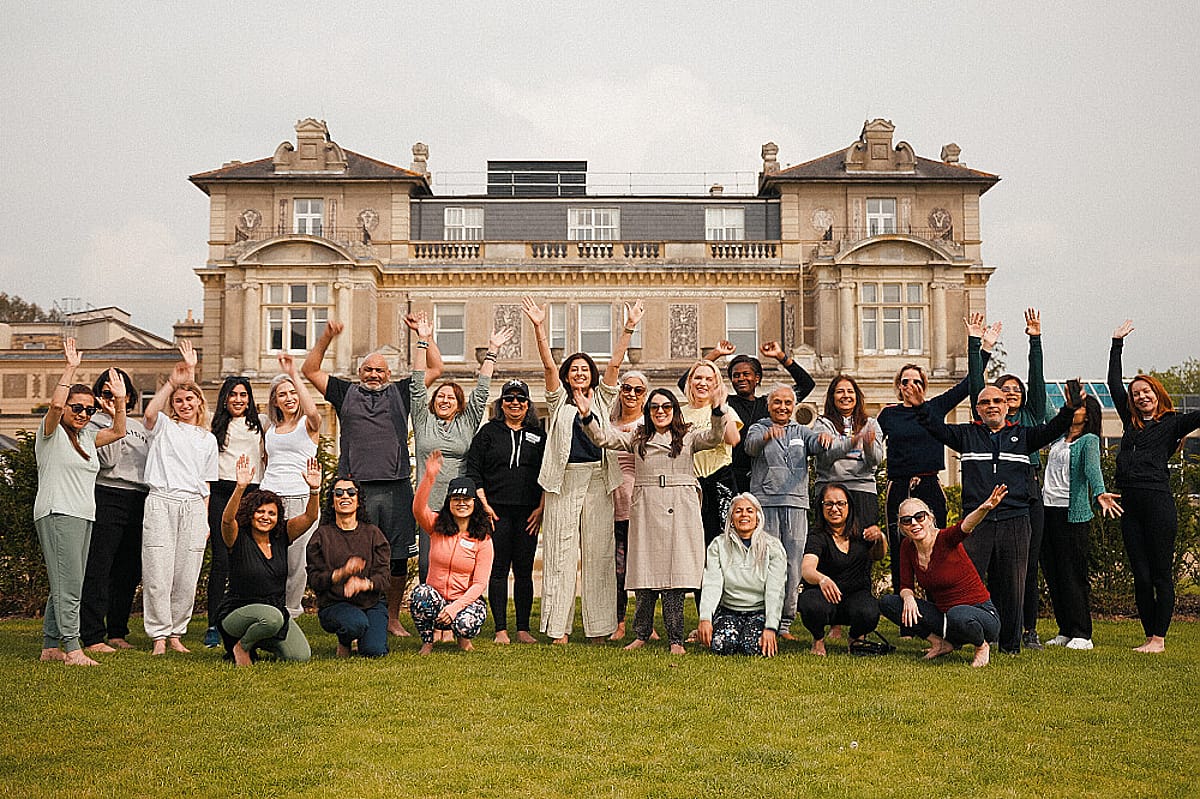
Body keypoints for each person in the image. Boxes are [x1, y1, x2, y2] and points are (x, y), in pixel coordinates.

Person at [909, 377, 1081, 654]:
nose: (992, 406)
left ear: (1006, 406)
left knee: (1015, 585)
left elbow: (1054, 429)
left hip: (1015, 519)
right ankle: (966, 638)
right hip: (977, 522)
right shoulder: (966, 435)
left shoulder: (1024, 436)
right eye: (985, 402)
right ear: (977, 409)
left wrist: (1069, 409)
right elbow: (935, 428)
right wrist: (920, 407)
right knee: (967, 582)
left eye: (997, 401)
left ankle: (1010, 645)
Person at [301, 315, 442, 638]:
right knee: (350, 553)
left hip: (395, 488)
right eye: (368, 370)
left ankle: (391, 618)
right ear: (359, 373)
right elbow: (310, 370)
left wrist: (425, 336)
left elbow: (435, 370)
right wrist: (326, 337)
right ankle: (351, 613)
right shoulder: (344, 392)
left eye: (380, 370)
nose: (374, 375)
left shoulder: (402, 392)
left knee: (395, 557)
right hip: (354, 487)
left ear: (389, 375)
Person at [521, 296, 643, 643]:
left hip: (598, 480)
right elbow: (547, 366)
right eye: (573, 369)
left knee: (600, 555)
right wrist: (539, 328)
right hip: (564, 481)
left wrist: (629, 326)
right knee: (560, 554)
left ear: (591, 375)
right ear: (567, 375)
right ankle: (558, 629)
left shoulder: (604, 399)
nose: (579, 373)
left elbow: (616, 365)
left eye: (584, 369)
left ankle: (600, 628)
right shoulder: (558, 400)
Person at [579, 385, 727, 654]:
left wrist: (718, 409)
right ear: (648, 412)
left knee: (675, 575)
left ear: (675, 410)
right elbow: (603, 439)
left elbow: (716, 437)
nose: (660, 411)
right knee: (643, 573)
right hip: (646, 506)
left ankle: (675, 639)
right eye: (655, 407)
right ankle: (641, 633)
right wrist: (588, 415)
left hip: (680, 507)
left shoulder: (689, 435)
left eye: (666, 407)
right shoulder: (638, 438)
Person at [877, 314, 992, 590]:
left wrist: (983, 348)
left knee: (937, 545)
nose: (910, 386)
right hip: (900, 485)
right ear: (898, 386)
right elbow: (868, 444)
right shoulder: (888, 415)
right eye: (905, 382)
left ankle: (938, 608)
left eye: (916, 382)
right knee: (900, 546)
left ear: (923, 386)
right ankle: (906, 617)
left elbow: (968, 385)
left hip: (929, 483)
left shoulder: (935, 408)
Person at [1108, 320, 1200, 653]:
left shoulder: (1173, 422)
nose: (1140, 397)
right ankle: (1149, 637)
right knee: (1141, 575)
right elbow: (1113, 385)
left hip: (1158, 503)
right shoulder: (1130, 422)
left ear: (1156, 394)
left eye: (1145, 392)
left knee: (1161, 573)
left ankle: (1160, 638)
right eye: (1136, 394)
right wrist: (1116, 344)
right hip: (1130, 505)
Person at [34, 339, 127, 665]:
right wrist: (70, 368)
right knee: (70, 585)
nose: (84, 414)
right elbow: (56, 408)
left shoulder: (87, 436)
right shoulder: (49, 432)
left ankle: (50, 647)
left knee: (64, 581)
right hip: (58, 511)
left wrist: (119, 401)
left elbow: (117, 432)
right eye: (78, 408)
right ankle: (73, 648)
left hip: (83, 514)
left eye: (89, 409)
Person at [969, 308, 1053, 650]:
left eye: (1017, 390)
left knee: (1026, 565)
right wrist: (977, 345)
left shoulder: (1031, 416)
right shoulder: (988, 419)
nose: (1013, 393)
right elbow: (977, 385)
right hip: (993, 492)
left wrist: (1034, 339)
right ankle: (987, 626)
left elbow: (1038, 380)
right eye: (1007, 390)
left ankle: (1026, 629)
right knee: (989, 564)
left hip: (1027, 489)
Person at [743, 384, 850, 640]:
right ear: (769, 406)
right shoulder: (759, 427)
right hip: (765, 502)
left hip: (796, 504)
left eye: (787, 403)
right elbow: (750, 447)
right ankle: (762, 618)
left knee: (793, 564)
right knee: (765, 562)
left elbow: (819, 445)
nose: (782, 407)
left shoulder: (802, 431)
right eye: (777, 402)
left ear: (793, 406)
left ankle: (784, 623)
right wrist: (768, 436)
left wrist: (827, 439)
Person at [411, 321, 513, 590]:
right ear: (433, 402)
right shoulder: (423, 420)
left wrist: (492, 350)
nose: (445, 400)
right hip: (431, 505)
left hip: (461, 505)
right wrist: (423, 341)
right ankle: (431, 617)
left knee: (463, 563)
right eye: (440, 396)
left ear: (459, 405)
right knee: (428, 565)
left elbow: (481, 393)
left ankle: (460, 614)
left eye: (451, 398)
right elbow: (416, 385)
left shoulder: (466, 423)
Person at [141, 341, 219, 656]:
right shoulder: (163, 427)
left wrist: (206, 521)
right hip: (162, 500)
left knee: (187, 574)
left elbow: (206, 484)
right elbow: (148, 413)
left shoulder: (207, 439)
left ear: (199, 403)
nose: (184, 404)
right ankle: (158, 636)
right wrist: (174, 380)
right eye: (179, 400)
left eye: (190, 399)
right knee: (158, 570)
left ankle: (176, 633)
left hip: (194, 506)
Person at [880, 485, 1010, 668]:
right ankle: (940, 643)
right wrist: (908, 598)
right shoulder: (907, 547)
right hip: (947, 619)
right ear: (901, 526)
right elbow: (905, 584)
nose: (915, 524)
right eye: (907, 520)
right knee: (889, 603)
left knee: (957, 613)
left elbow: (965, 526)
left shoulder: (945, 539)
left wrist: (984, 508)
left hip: (981, 616)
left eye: (919, 517)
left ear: (930, 517)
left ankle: (982, 646)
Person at [216, 454, 321, 665]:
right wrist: (240, 488)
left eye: (271, 513)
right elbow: (227, 519)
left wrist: (314, 490)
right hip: (237, 613)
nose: (266, 517)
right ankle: (241, 645)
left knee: (299, 656)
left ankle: (259, 641)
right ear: (251, 513)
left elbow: (309, 518)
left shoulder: (282, 536)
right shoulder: (238, 537)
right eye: (260, 511)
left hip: (275, 613)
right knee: (271, 618)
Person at [464, 379, 546, 644]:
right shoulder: (489, 432)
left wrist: (541, 508)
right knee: (497, 570)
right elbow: (474, 470)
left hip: (528, 513)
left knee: (524, 570)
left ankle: (523, 628)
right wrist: (483, 505)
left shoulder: (538, 434)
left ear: (527, 404)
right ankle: (501, 630)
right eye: (509, 399)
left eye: (520, 399)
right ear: (501, 403)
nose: (514, 403)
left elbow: (548, 474)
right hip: (494, 512)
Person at [677, 339, 816, 493]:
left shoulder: (769, 405)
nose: (741, 378)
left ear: (757, 378)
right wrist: (715, 354)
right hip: (730, 476)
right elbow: (686, 381)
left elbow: (806, 384)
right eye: (736, 375)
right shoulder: (724, 403)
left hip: (763, 476)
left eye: (746, 374)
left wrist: (780, 356)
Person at [1040, 394, 1123, 650]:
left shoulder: (1089, 440)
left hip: (1072, 513)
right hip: (1048, 510)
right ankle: (1065, 630)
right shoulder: (1057, 437)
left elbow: (1092, 469)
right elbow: (1045, 405)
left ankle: (1082, 633)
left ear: (1087, 414)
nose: (1074, 409)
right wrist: (1037, 354)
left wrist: (1099, 492)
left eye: (1079, 406)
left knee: (1072, 574)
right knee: (1053, 574)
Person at [79, 367, 147, 653]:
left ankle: (118, 631)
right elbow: (108, 460)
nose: (112, 398)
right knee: (99, 567)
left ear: (130, 396)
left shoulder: (142, 427)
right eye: (105, 393)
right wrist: (115, 413)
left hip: (138, 498)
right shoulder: (93, 423)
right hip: (107, 494)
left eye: (119, 393)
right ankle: (93, 635)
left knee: (128, 571)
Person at [203, 375, 266, 647]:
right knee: (221, 561)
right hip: (221, 493)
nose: (238, 400)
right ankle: (215, 624)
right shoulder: (213, 424)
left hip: (251, 493)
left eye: (243, 395)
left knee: (250, 560)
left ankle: (249, 619)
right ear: (224, 398)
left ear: (250, 398)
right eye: (232, 394)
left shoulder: (261, 424)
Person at [410, 453, 495, 654]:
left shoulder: (483, 539)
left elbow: (480, 584)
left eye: (467, 499)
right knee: (420, 594)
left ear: (475, 503)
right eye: (456, 499)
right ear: (449, 502)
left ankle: (463, 639)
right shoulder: (436, 526)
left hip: (464, 601)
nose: (461, 503)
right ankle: (428, 641)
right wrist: (429, 477)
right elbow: (417, 509)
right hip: (436, 597)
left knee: (466, 622)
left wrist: (454, 608)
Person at [259, 355, 322, 620]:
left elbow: (313, 412)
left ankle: (290, 615)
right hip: (271, 496)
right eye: (282, 394)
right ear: (275, 400)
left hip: (300, 497)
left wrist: (295, 375)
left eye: (293, 393)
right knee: (269, 559)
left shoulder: (308, 425)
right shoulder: (270, 427)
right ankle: (268, 610)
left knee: (297, 563)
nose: (289, 397)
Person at [306, 477, 392, 658]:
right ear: (332, 502)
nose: (345, 496)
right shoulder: (321, 536)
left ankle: (366, 638)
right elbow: (314, 580)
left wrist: (364, 584)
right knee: (355, 624)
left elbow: (384, 578)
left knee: (374, 651)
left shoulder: (373, 534)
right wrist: (341, 573)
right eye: (338, 493)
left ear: (359, 500)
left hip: (371, 603)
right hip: (335, 604)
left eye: (351, 492)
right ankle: (345, 639)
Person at [797, 483, 887, 655]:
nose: (834, 509)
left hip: (855, 595)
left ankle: (855, 638)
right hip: (824, 598)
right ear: (821, 507)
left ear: (849, 506)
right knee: (811, 604)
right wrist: (822, 579)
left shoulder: (862, 533)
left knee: (869, 612)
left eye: (840, 503)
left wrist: (880, 538)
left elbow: (878, 555)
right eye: (828, 504)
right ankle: (818, 640)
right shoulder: (817, 536)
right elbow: (807, 569)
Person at [696, 493, 787, 657]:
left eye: (749, 511)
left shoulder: (773, 547)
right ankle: (731, 631)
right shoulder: (719, 545)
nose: (744, 514)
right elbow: (712, 583)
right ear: (731, 518)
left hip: (759, 611)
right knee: (722, 645)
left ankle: (749, 633)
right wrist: (705, 618)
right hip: (729, 610)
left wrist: (771, 627)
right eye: (738, 511)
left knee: (752, 647)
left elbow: (776, 590)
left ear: (758, 517)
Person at [812, 375, 884, 537]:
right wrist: (853, 441)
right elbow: (825, 457)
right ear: (832, 397)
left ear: (857, 397)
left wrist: (867, 444)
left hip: (862, 488)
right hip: (830, 488)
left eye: (850, 391)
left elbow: (876, 460)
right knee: (831, 545)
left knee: (863, 545)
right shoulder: (822, 424)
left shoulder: (870, 423)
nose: (845, 395)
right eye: (840, 392)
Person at [607, 369, 648, 640]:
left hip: (641, 505)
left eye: (638, 390)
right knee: (618, 568)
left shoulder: (649, 424)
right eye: (626, 388)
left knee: (644, 567)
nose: (631, 394)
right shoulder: (608, 423)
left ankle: (646, 625)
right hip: (612, 504)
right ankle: (619, 623)